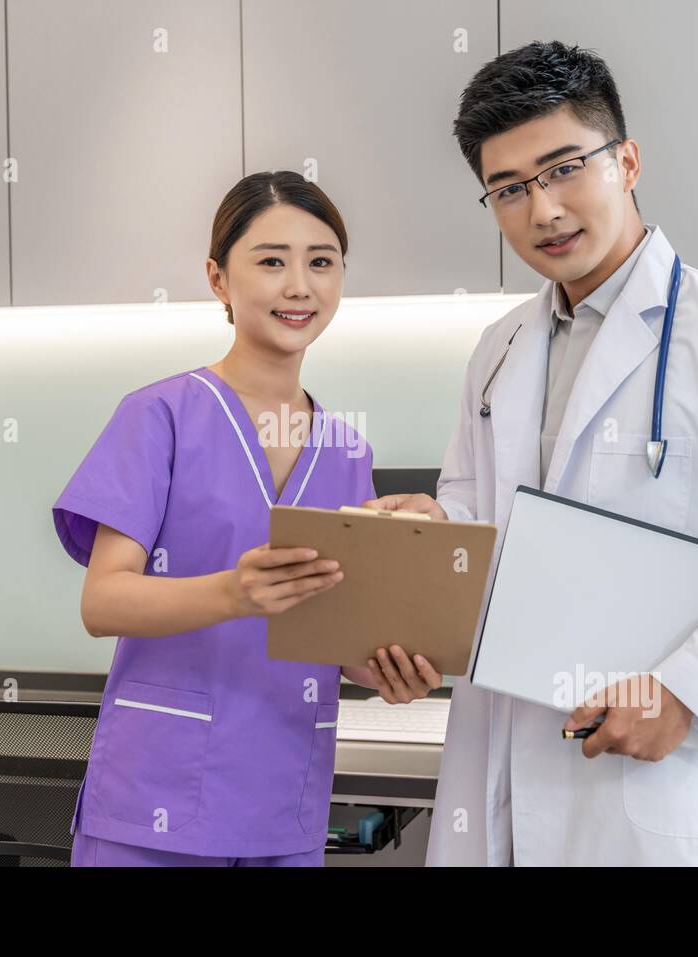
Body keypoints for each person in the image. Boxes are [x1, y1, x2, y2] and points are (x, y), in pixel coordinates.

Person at [366, 41, 698, 866]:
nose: (543, 211)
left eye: (565, 167)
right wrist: (427, 537)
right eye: (508, 189)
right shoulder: (497, 350)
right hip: (500, 771)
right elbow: (475, 518)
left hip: (651, 791)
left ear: (627, 160)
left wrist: (686, 689)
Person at [53, 171, 441, 867]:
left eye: (321, 262)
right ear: (218, 279)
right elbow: (103, 599)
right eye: (271, 260)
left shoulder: (347, 449)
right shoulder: (161, 416)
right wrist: (232, 591)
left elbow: (322, 631)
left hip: (283, 804)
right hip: (156, 806)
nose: (299, 285)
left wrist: (386, 670)